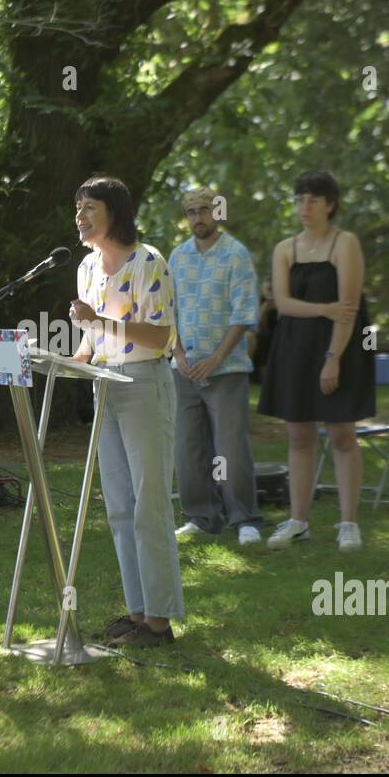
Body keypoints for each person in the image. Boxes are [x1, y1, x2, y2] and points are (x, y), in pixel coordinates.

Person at [70, 174, 183, 647]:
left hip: (143, 385)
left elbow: (160, 338)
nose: (79, 217)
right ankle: (137, 614)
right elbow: (90, 342)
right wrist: (63, 358)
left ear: (114, 211)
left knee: (148, 507)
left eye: (88, 207)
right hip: (105, 388)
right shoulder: (87, 268)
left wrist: (101, 323)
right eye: (76, 208)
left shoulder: (149, 262)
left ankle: (160, 622)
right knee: (118, 508)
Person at [259, 171, 375, 550]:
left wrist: (333, 359)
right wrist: (324, 308)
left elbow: (350, 309)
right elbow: (284, 304)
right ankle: (298, 521)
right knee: (298, 434)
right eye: (299, 199)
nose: (304, 207)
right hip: (294, 347)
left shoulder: (346, 243)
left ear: (330, 204)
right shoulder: (285, 248)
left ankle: (348, 523)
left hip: (338, 348)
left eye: (312, 199)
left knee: (342, 433)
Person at [168, 187, 263, 545]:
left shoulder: (236, 255)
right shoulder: (176, 258)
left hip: (226, 369)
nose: (198, 218)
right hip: (184, 370)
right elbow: (167, 312)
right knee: (187, 448)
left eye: (204, 210)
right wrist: (177, 355)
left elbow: (244, 314)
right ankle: (201, 516)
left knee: (230, 448)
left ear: (217, 212)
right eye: (191, 211)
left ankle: (244, 518)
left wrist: (216, 358)